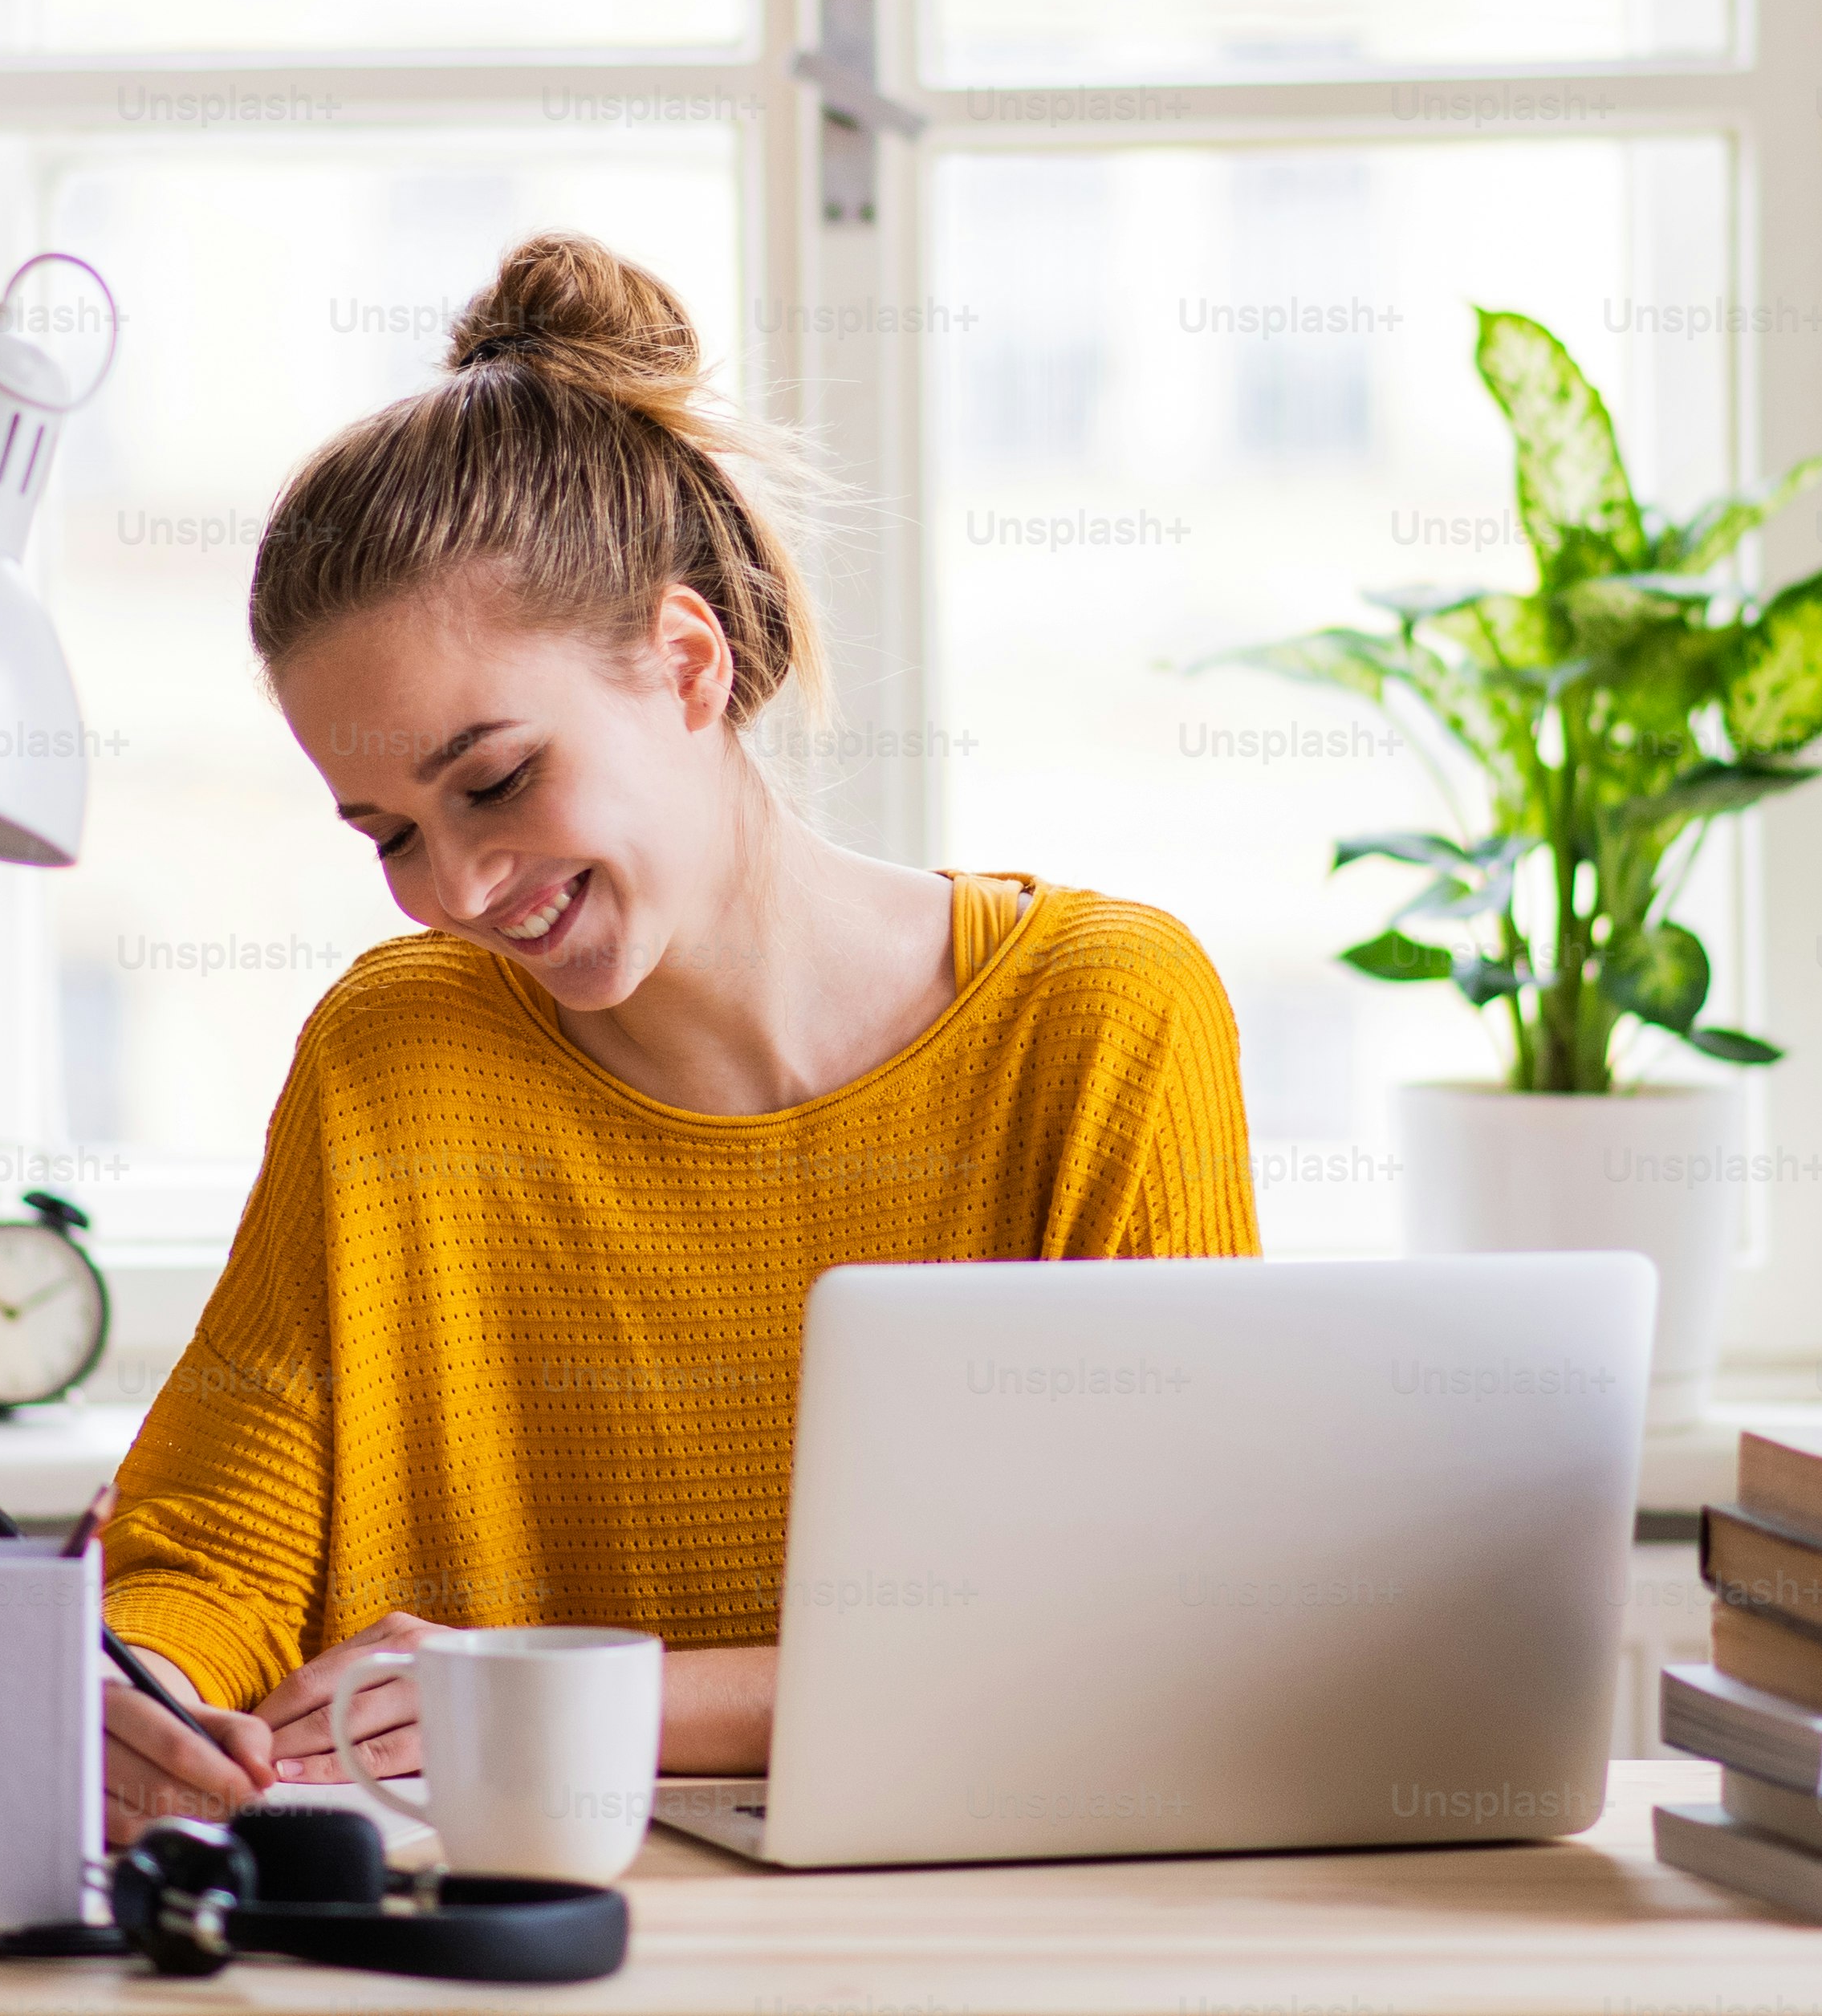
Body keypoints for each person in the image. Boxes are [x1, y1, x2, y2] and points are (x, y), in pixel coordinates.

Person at [93, 234, 1259, 1831]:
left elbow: (1150, 1624)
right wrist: (135, 1693)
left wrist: (540, 1694)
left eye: (492, 780)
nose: (455, 885)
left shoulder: (1099, 1018)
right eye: (389, 832)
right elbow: (214, 1548)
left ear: (686, 659)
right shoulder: (396, 1054)